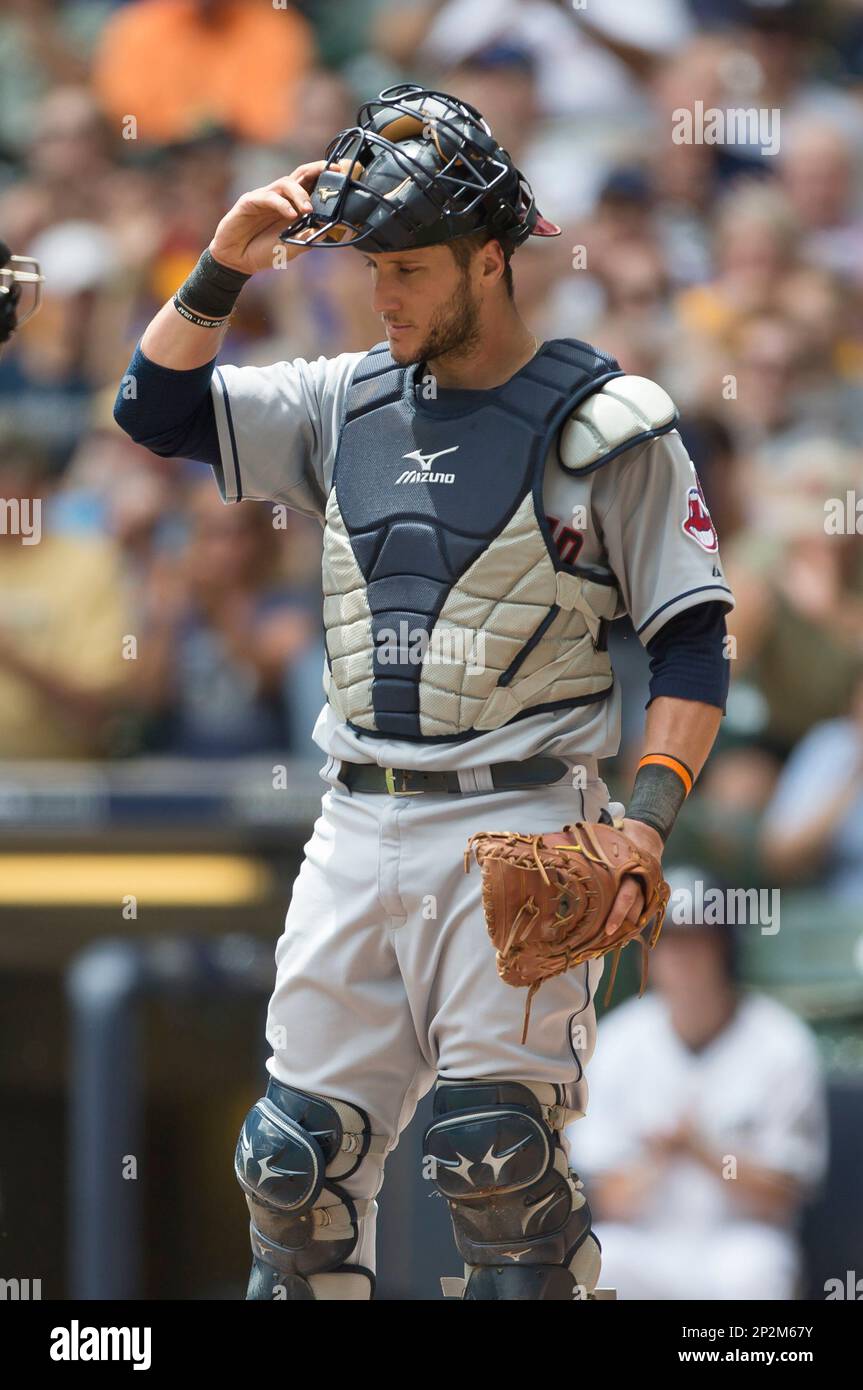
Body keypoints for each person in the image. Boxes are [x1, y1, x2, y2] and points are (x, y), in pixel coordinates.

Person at [114, 85, 734, 1301]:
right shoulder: (340, 398)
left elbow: (693, 644)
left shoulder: (607, 422)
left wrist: (642, 828)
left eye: (404, 268)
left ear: (490, 258)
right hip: (354, 818)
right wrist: (225, 260)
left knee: (491, 1162)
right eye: (367, 267)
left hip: (519, 822)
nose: (378, 293)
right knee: (288, 1169)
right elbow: (155, 407)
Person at [565, 888, 829, 1301]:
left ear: (727, 951)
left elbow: (783, 1199)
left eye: (697, 942)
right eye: (668, 942)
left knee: (756, 1271)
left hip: (737, 1244)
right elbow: (606, 1200)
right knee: (604, 1259)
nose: (682, 958)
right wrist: (660, 1157)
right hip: (646, 1241)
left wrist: (701, 1150)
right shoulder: (618, 1041)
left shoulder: (781, 1042)